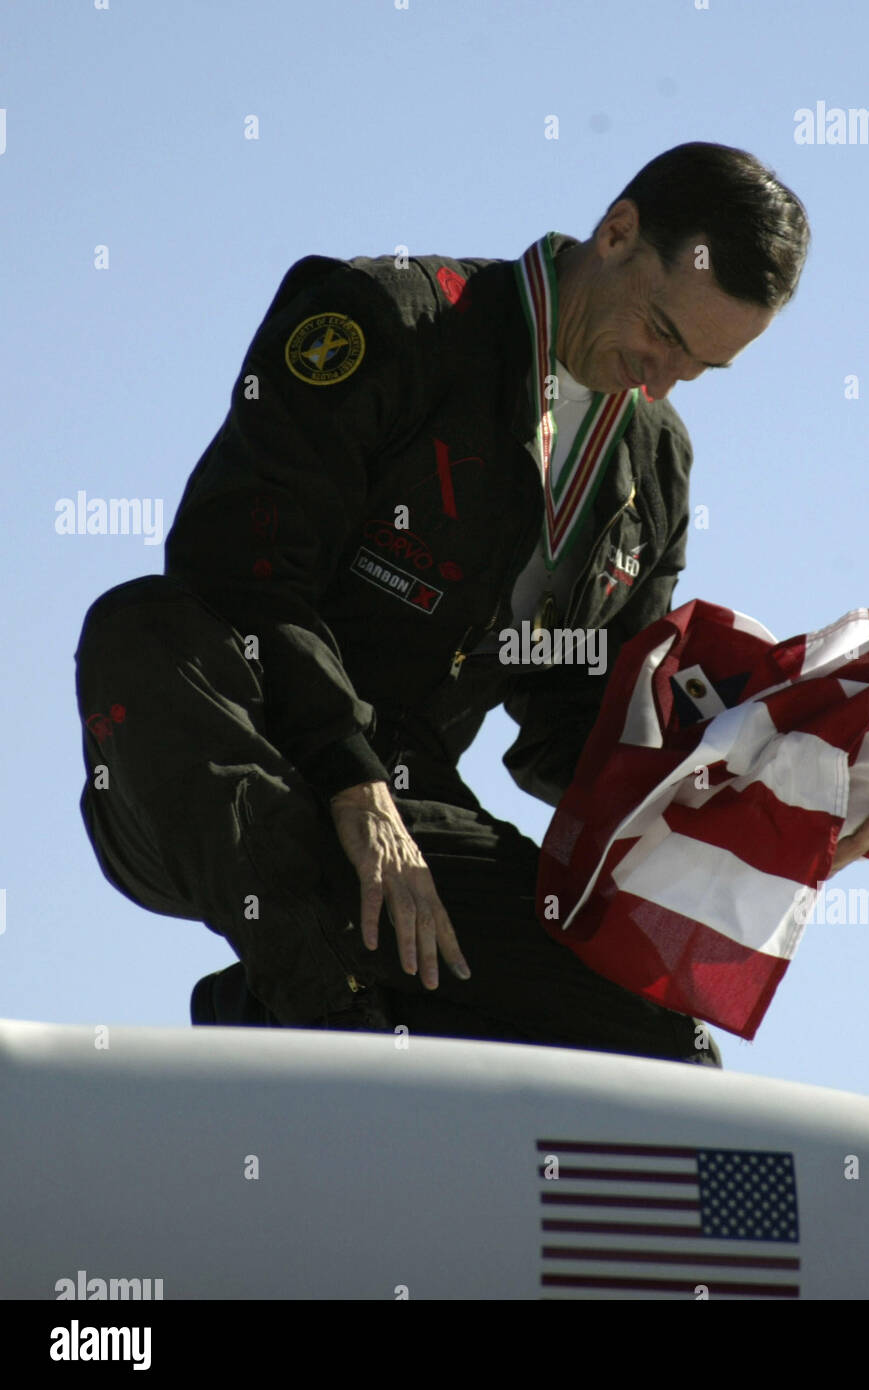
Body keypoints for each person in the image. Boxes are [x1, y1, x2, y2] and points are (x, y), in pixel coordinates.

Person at [74, 142, 819, 1066]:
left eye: (702, 368)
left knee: (662, 1048)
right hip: (220, 759)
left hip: (407, 808)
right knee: (139, 625)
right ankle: (319, 1022)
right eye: (662, 334)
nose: (662, 378)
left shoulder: (653, 463)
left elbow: (580, 724)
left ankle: (291, 1003)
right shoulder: (389, 320)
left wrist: (761, 792)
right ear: (618, 233)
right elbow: (241, 565)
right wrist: (351, 779)